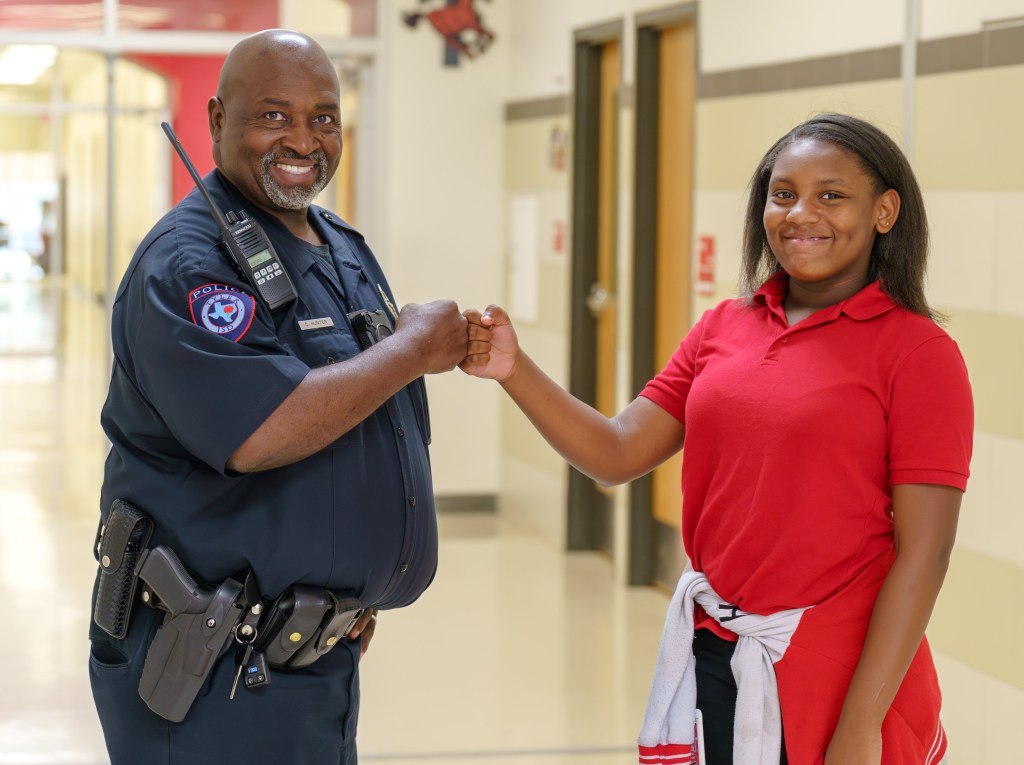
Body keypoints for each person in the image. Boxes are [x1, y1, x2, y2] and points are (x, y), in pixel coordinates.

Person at [462, 113, 972, 764]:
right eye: (782, 194)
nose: (801, 214)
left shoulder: (918, 353)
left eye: (832, 195)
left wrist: (859, 727)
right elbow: (616, 452)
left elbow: (925, 554)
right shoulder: (723, 327)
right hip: (715, 651)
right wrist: (514, 369)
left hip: (838, 675)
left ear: (885, 211)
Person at [89, 29, 472, 765]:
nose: (302, 139)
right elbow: (261, 430)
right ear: (217, 119)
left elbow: (364, 418)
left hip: (313, 658)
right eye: (273, 115)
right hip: (208, 676)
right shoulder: (190, 265)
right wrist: (412, 349)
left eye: (323, 117)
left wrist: (353, 589)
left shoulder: (340, 246)